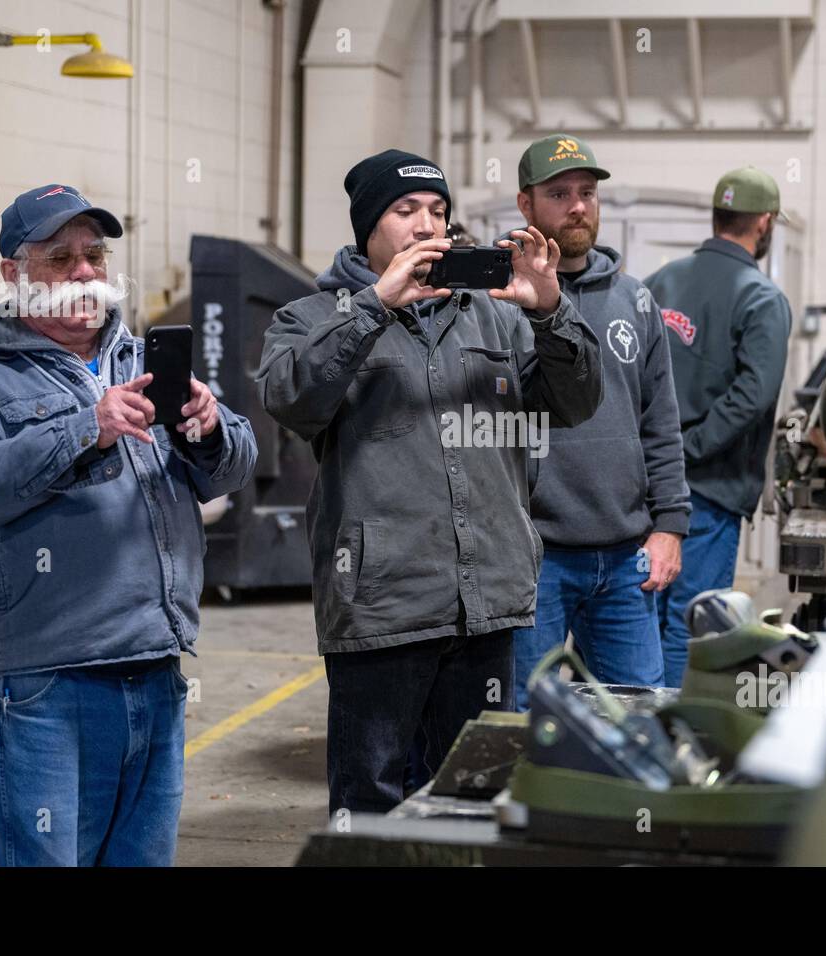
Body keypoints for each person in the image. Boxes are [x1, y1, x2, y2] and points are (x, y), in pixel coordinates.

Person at [256, 149, 601, 814]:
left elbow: (576, 403)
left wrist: (552, 313)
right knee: (370, 799)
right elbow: (291, 396)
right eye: (405, 210)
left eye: (438, 212)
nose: (426, 225)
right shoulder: (313, 315)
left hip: (486, 603)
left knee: (475, 797)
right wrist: (375, 306)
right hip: (384, 605)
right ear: (369, 228)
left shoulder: (493, 311)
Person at [0, 184, 258, 865]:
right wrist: (89, 427)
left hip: (155, 666)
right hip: (48, 681)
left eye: (94, 255)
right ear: (13, 275)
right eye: (60, 257)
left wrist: (207, 428)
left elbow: (232, 469)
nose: (84, 271)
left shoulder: (144, 361)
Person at [509, 134, 689, 708]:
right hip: (534, 558)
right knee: (520, 725)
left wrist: (669, 526)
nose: (578, 206)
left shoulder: (635, 303)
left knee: (636, 719)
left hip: (624, 557)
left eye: (587, 192)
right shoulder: (501, 300)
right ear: (526, 205)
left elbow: (660, 422)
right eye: (559, 193)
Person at [643, 166, 793, 686]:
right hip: (709, 488)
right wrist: (691, 449)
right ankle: (670, 749)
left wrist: (659, 457)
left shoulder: (657, 282)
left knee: (641, 617)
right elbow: (754, 394)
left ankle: (622, 744)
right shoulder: (762, 299)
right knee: (692, 623)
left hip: (645, 489)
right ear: (765, 223)